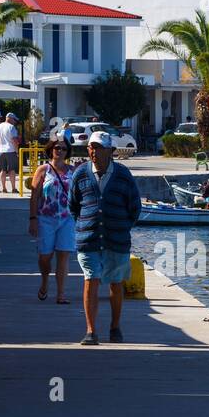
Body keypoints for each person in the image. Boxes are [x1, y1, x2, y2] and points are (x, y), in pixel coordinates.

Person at [67, 130, 141, 345]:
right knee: (91, 279)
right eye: (91, 147)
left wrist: (122, 226)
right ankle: (90, 331)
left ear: (110, 151)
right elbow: (73, 206)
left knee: (116, 283)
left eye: (98, 147)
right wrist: (84, 225)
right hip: (88, 238)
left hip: (116, 239)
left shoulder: (123, 175)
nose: (93, 151)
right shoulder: (80, 174)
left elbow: (134, 208)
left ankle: (115, 327)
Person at [29, 135, 76, 304]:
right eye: (57, 148)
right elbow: (34, 196)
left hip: (67, 219)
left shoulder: (72, 171)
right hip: (45, 219)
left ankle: (61, 294)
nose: (60, 151)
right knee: (45, 257)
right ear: (51, 149)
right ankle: (44, 281)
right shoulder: (43, 170)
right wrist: (33, 218)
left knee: (63, 256)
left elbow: (78, 196)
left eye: (64, 149)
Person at [0, 111, 20, 194]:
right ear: (10, 118)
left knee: (3, 170)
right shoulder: (11, 127)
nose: (14, 121)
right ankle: (13, 188)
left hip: (1, 151)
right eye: (14, 119)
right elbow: (14, 140)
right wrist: (17, 151)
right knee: (12, 170)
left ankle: (4, 188)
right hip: (11, 150)